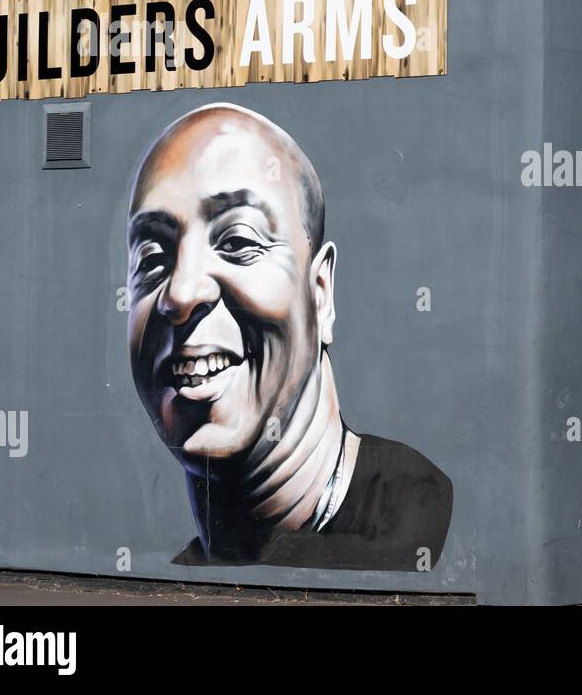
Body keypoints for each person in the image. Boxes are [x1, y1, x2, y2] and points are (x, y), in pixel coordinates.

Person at [125, 102, 451, 570]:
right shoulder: (193, 569)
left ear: (320, 293)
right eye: (153, 258)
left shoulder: (411, 520)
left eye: (237, 241)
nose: (180, 292)